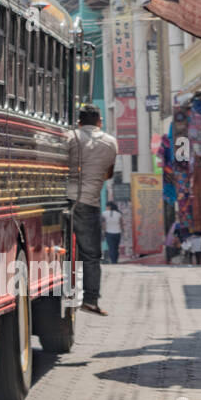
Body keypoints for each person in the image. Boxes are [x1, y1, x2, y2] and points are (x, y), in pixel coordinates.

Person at [66, 106, 118, 315]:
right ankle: (90, 300)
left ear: (79, 122)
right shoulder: (110, 142)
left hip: (65, 199)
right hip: (89, 203)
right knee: (91, 255)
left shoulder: (69, 137)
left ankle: (61, 288)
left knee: (62, 250)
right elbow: (108, 174)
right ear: (99, 121)